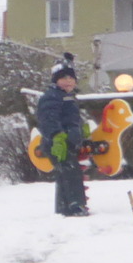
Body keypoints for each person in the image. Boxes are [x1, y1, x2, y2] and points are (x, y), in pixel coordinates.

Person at [34, 54, 87, 216]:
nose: (68, 81)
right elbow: (48, 119)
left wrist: (80, 130)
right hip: (57, 143)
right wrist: (57, 136)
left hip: (68, 142)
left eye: (71, 78)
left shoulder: (68, 97)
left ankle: (65, 207)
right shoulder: (51, 97)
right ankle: (75, 206)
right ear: (55, 80)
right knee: (70, 173)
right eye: (63, 78)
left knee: (68, 172)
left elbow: (72, 119)